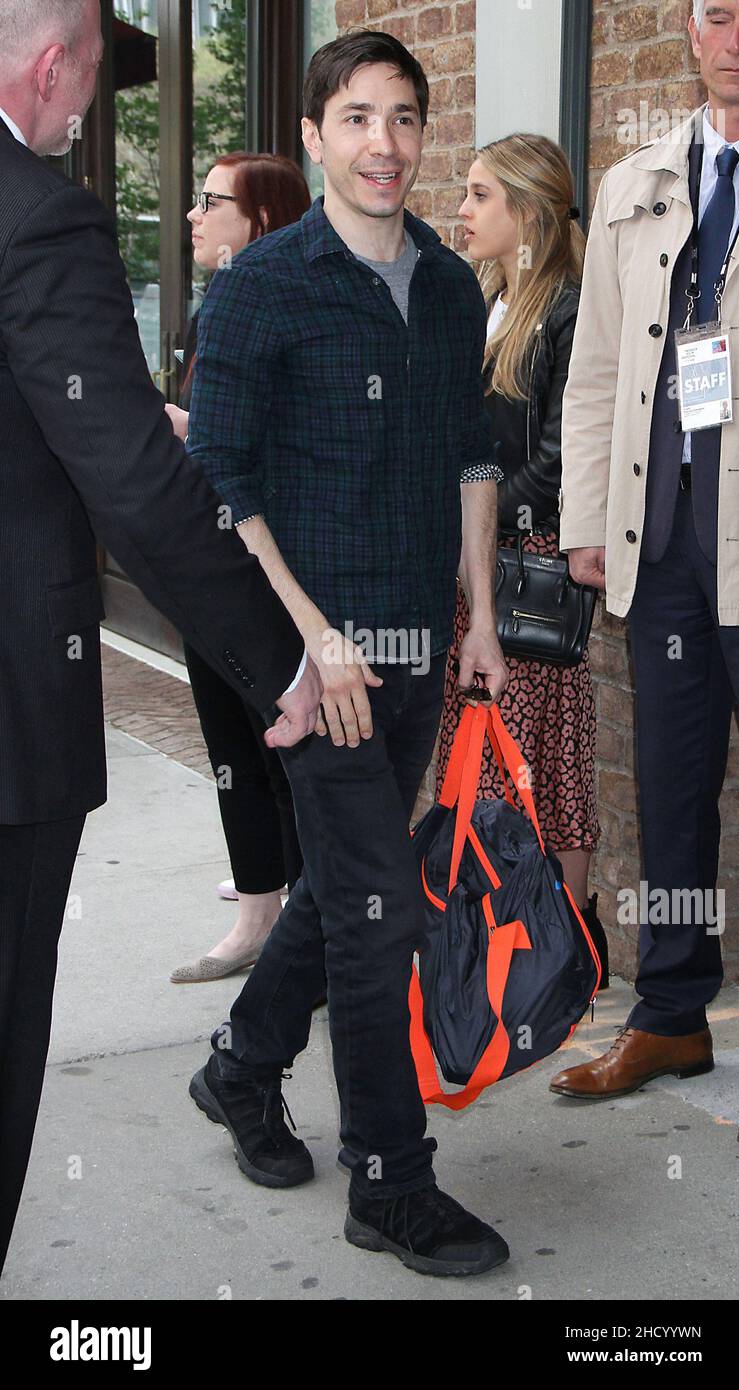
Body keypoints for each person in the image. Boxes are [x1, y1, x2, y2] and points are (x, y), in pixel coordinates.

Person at [0, 0, 321, 1277]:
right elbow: (138, 481)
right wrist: (282, 661)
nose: (87, 119)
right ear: (51, 65)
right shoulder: (40, 216)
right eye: (86, 84)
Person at [187, 29, 513, 1277]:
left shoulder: (442, 282)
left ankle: (240, 1066)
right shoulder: (263, 284)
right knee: (376, 913)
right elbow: (222, 477)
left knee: (344, 885)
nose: (386, 143)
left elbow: (471, 455)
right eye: (359, 118)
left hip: (417, 652)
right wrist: (310, 636)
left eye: (407, 119)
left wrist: (478, 615)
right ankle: (388, 1179)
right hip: (313, 663)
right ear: (316, 135)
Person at [551, 0, 739, 1149]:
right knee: (669, 803)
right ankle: (672, 1011)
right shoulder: (636, 181)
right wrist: (589, 518)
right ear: (687, 29)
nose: (738, 32)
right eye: (718, 11)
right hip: (662, 548)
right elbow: (590, 377)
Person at [436, 133, 607, 981]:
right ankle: (500, 942)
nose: (462, 212)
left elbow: (562, 454)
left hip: (528, 565)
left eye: (478, 195)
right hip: (482, 560)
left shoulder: (568, 308)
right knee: (488, 755)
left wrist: (484, 513)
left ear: (527, 211)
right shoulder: (488, 299)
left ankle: (569, 944)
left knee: (545, 756)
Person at [169, 154, 312, 983]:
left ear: (260, 220)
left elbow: (287, 437)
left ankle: (294, 914)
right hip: (210, 555)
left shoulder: (281, 304)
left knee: (277, 747)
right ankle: (263, 905)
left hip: (270, 565)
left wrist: (194, 429)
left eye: (211, 201)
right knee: (233, 737)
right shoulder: (214, 300)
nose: (193, 214)